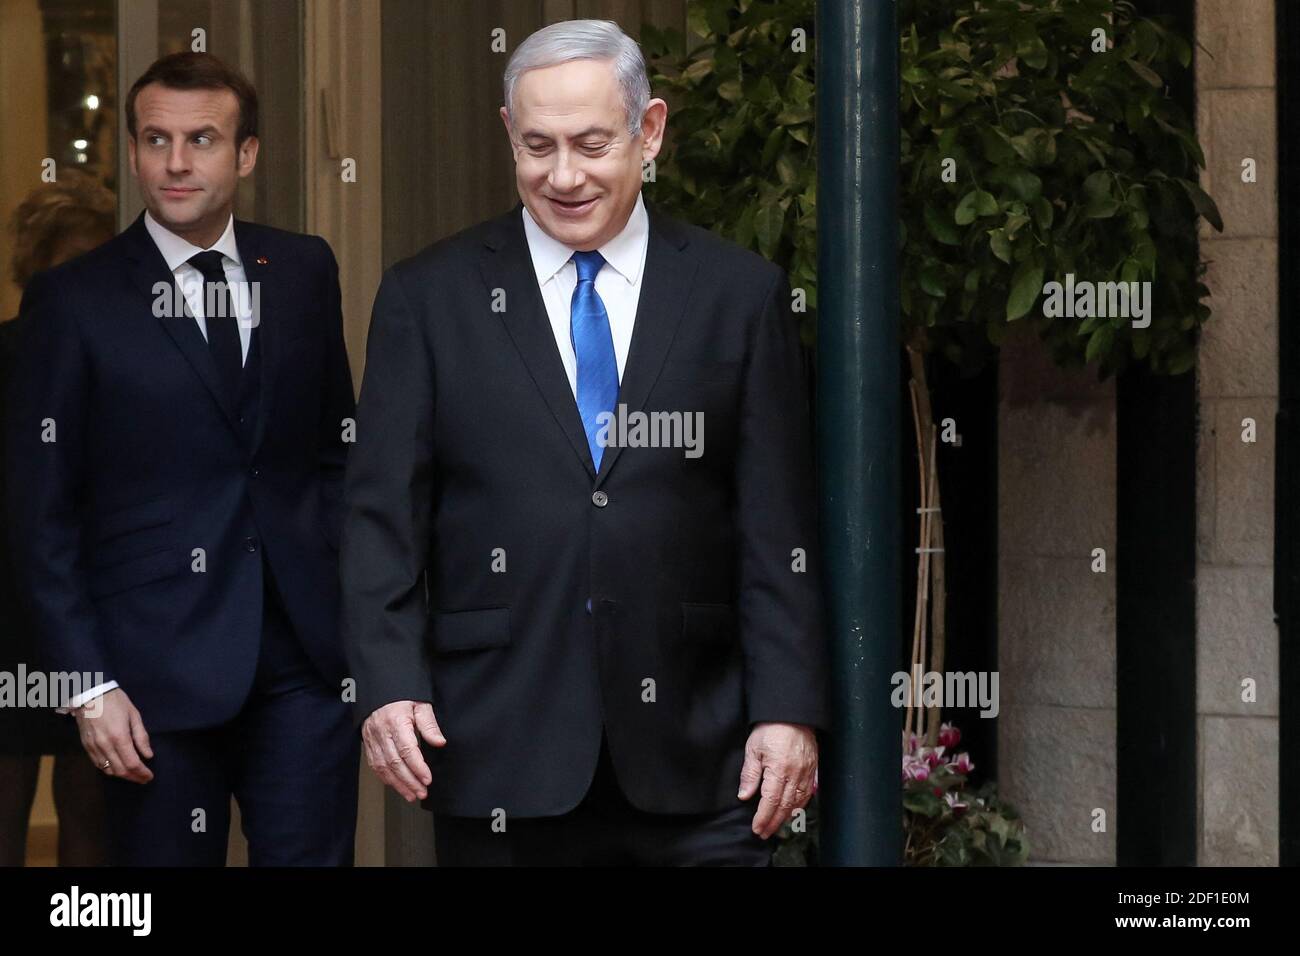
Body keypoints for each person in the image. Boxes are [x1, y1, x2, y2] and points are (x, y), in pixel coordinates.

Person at [341, 19, 830, 866]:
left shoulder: (738, 296)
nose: (563, 176)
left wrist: (786, 710)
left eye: (592, 144)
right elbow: (380, 516)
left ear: (651, 132)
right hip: (497, 747)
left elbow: (774, 524)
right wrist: (387, 687)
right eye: (538, 147)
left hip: (702, 757)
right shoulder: (430, 298)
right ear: (507, 136)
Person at [4, 52, 358, 866]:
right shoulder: (73, 300)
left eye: (202, 139)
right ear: (131, 150)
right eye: (156, 139)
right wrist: (86, 686)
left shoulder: (303, 270)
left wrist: (348, 610)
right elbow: (39, 513)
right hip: (147, 675)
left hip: (304, 663)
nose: (175, 162)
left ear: (247, 153)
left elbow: (339, 450)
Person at [0, 171, 114, 866]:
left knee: (92, 810)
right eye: (63, 266)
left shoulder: (122, 361)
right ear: (31, 271)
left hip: (93, 612)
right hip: (7, 611)